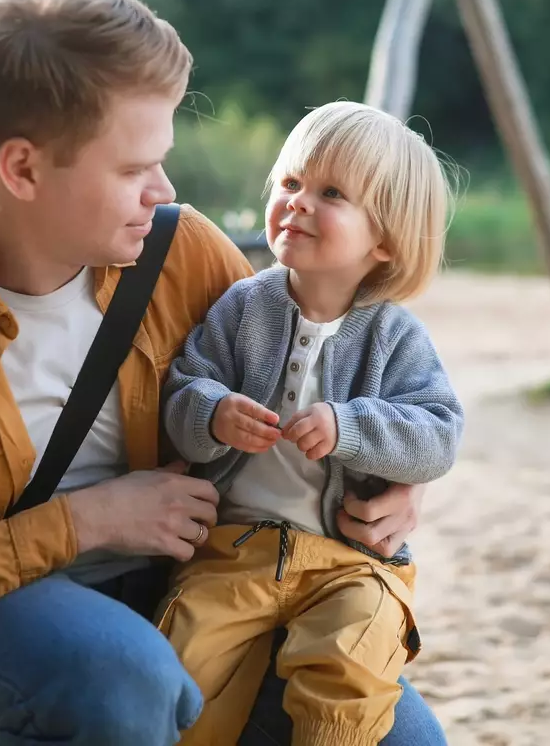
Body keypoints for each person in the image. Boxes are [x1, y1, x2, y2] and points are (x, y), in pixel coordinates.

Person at [0, 0, 446, 746]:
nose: (162, 189)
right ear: (23, 169)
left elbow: (312, 397)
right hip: (10, 622)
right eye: (133, 170)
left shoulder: (184, 248)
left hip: (212, 583)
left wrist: (396, 492)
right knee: (120, 677)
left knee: (407, 739)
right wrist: (84, 523)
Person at [158, 102, 462, 746]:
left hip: (349, 563)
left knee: (352, 664)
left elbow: (437, 434)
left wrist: (350, 426)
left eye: (330, 193)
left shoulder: (394, 334)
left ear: (384, 240)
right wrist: (212, 412)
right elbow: (181, 393)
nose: (297, 202)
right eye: (290, 183)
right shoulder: (244, 307)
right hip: (234, 552)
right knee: (178, 666)